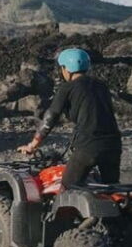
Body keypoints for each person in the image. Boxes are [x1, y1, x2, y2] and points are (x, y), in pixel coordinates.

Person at [17, 48, 122, 190]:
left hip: (88, 145)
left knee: (68, 188)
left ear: (67, 69)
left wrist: (33, 145)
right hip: (113, 145)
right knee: (111, 188)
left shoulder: (67, 88)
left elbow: (51, 116)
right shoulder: (101, 86)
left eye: (62, 68)